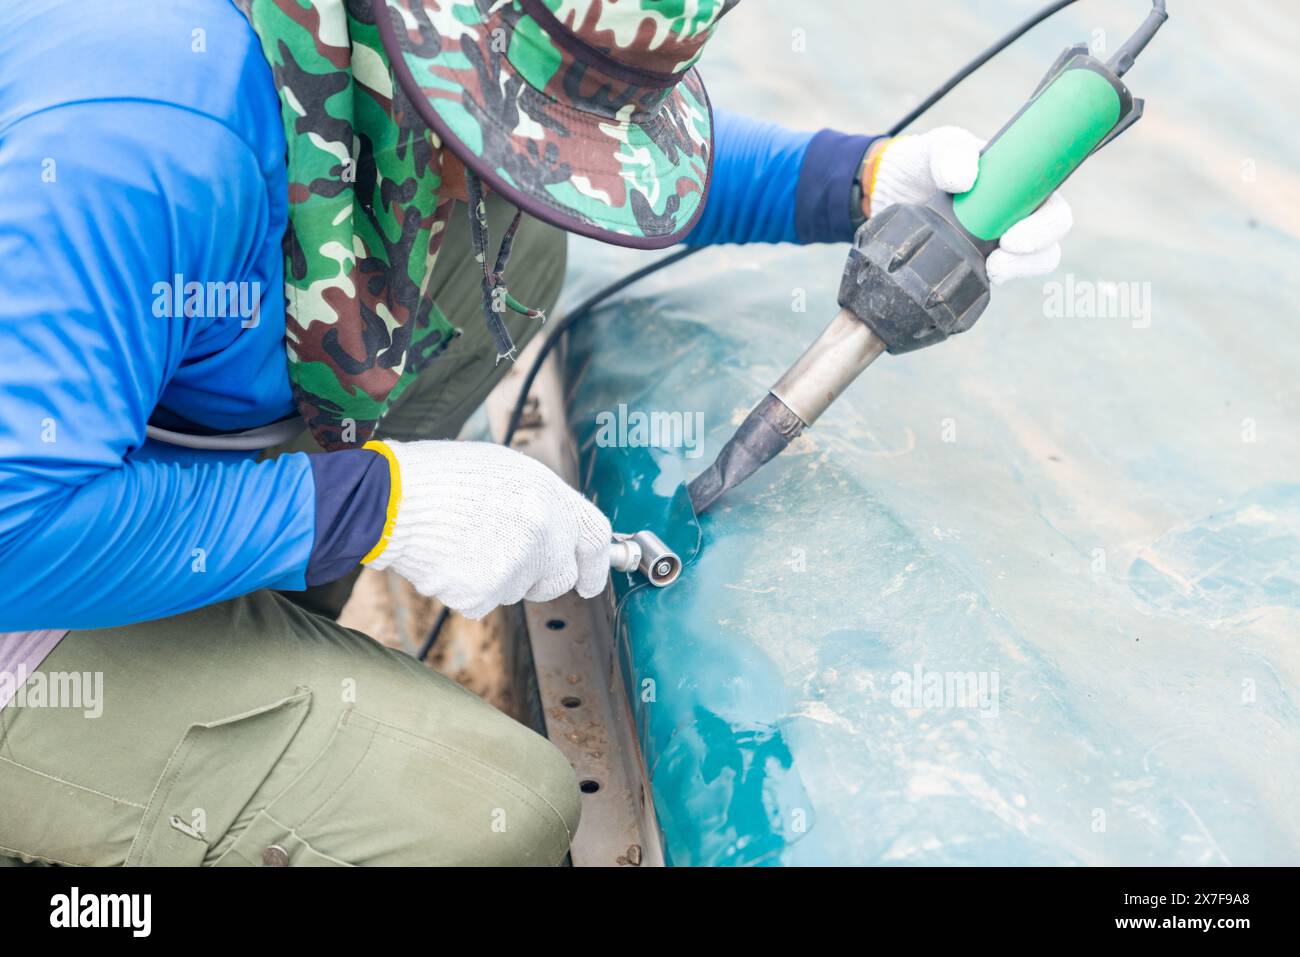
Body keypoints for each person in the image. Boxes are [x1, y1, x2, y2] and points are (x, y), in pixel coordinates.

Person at [0, 0, 1071, 866]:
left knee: (505, 258)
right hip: (23, 569)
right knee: (487, 811)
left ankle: (250, 627)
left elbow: (561, 148)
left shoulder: (351, 45)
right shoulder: (137, 133)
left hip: (97, 482)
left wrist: (864, 180)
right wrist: (379, 507)